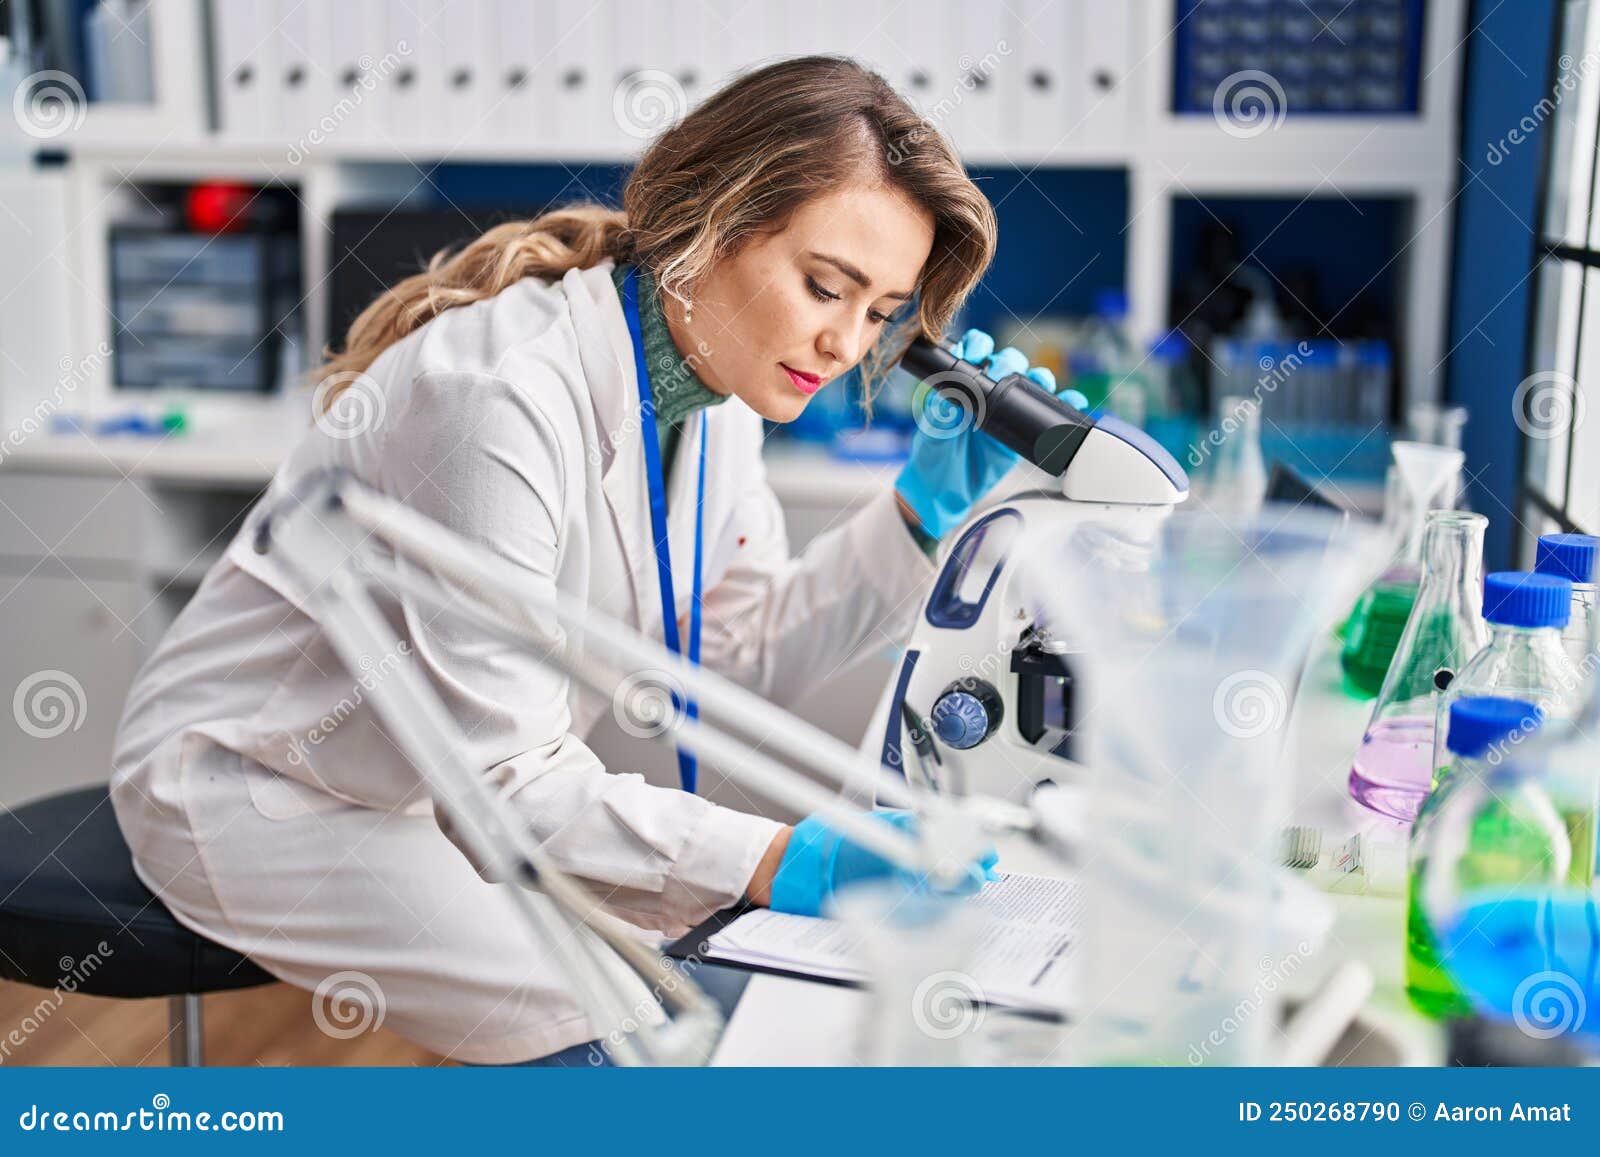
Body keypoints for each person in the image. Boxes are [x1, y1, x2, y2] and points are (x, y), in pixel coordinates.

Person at [110, 56, 1062, 1065]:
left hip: (445, 780)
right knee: (627, 1024)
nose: (842, 342)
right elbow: (513, 783)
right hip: (269, 787)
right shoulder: (499, 396)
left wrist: (918, 512)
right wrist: (782, 857)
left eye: (877, 311)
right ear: (709, 222)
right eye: (826, 285)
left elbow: (730, 655)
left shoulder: (713, 391)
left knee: (687, 1003)